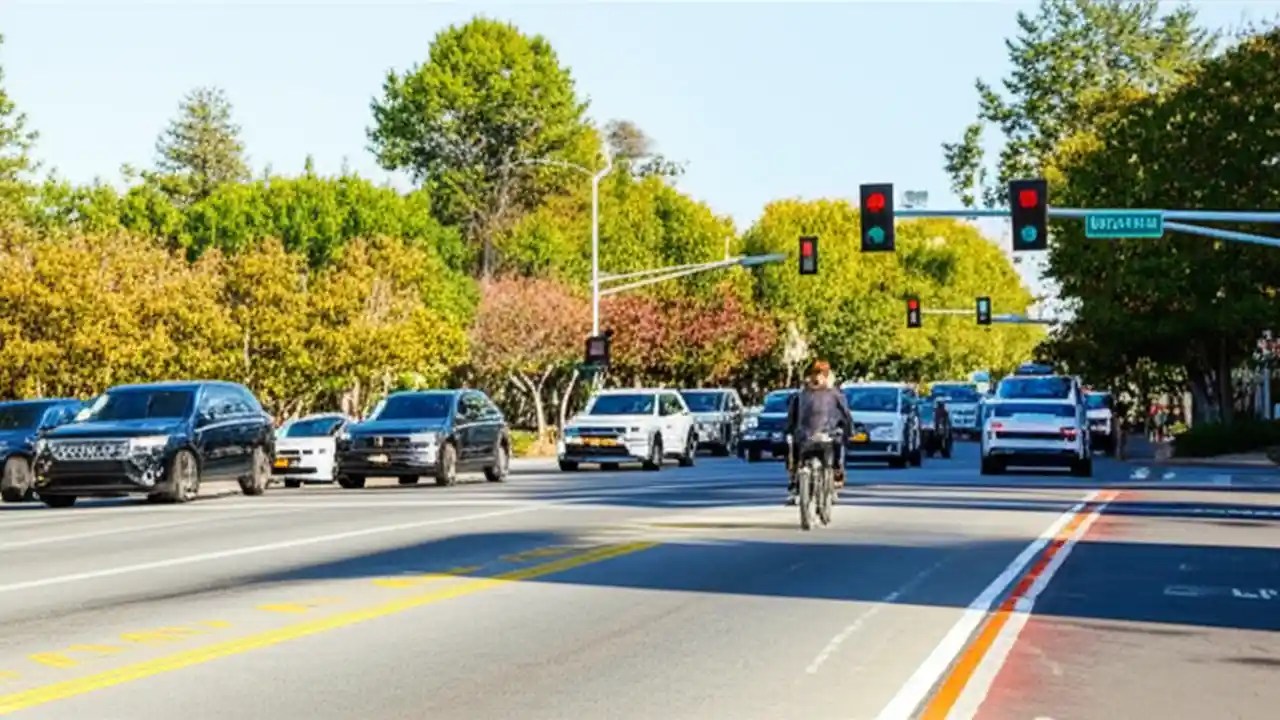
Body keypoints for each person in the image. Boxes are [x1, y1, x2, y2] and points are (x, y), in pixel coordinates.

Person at [784, 360, 854, 506]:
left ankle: (800, 485)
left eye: (819, 374)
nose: (816, 378)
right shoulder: (828, 395)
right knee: (833, 450)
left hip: (815, 437)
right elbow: (846, 416)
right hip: (817, 437)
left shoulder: (805, 395)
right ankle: (801, 485)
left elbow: (791, 420)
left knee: (833, 449)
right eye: (815, 374)